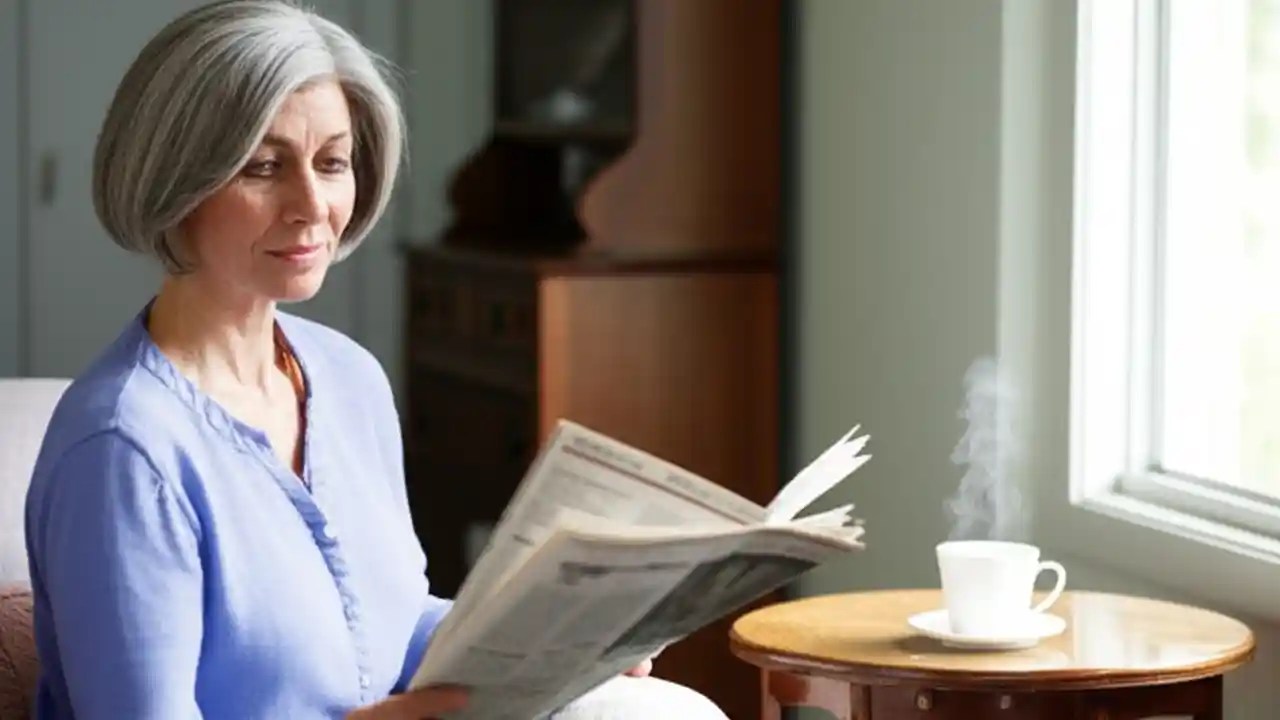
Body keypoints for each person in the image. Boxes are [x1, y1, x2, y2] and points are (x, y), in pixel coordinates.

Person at [21, 2, 727, 718]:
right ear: (173, 183)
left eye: (332, 163)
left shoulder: (348, 376)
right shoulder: (123, 451)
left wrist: (558, 644)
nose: (312, 205)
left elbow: (387, 626)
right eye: (263, 167)